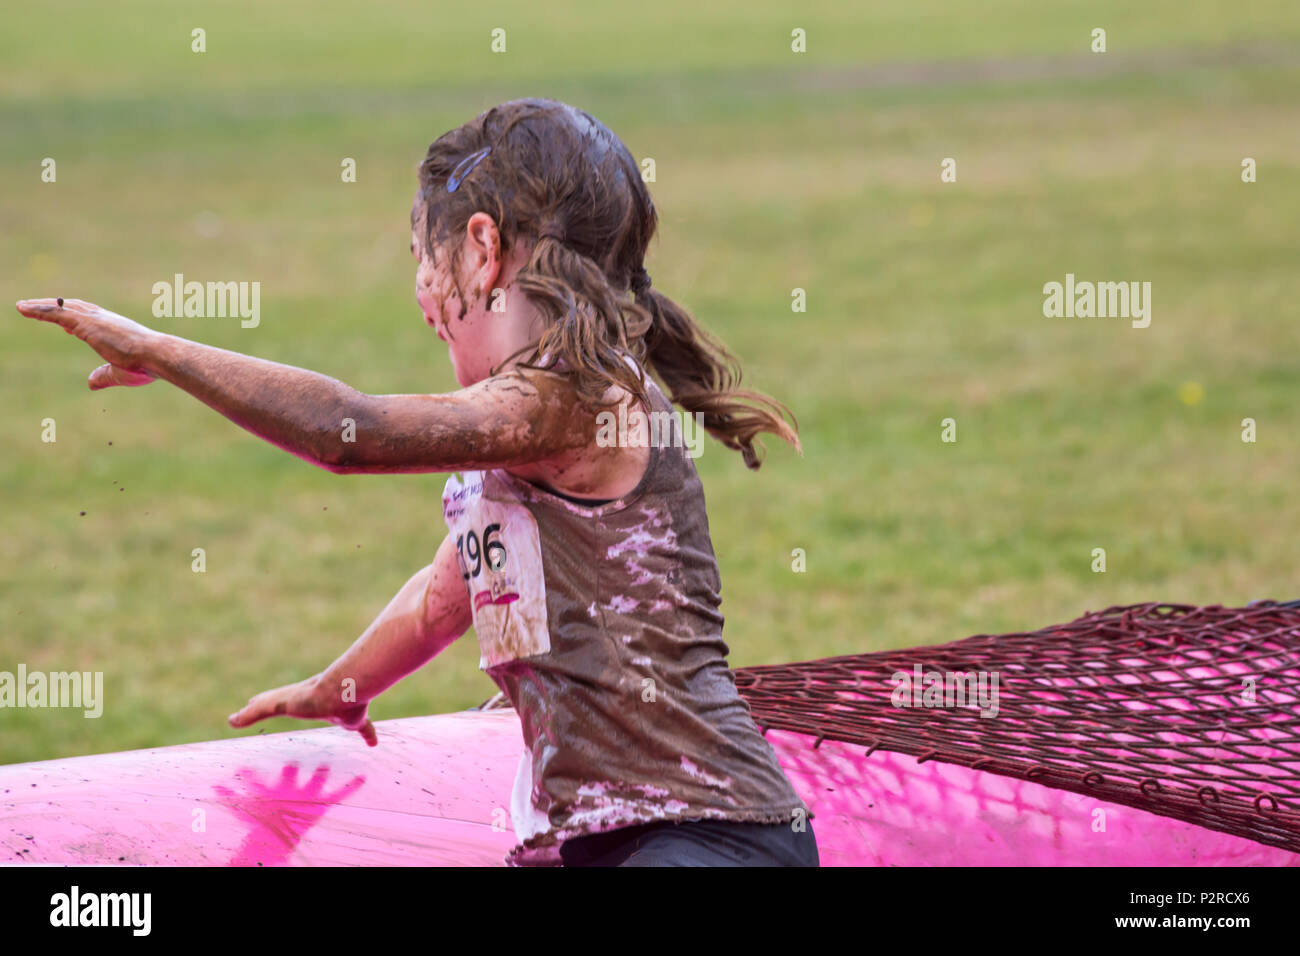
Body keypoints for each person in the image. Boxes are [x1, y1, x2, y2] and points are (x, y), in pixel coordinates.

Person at [16, 97, 818, 867]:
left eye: (419, 259)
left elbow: (349, 434)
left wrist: (159, 350)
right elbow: (444, 597)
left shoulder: (581, 401)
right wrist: (341, 687)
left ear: (481, 246)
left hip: (713, 834)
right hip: (619, 842)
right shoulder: (525, 435)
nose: (421, 296)